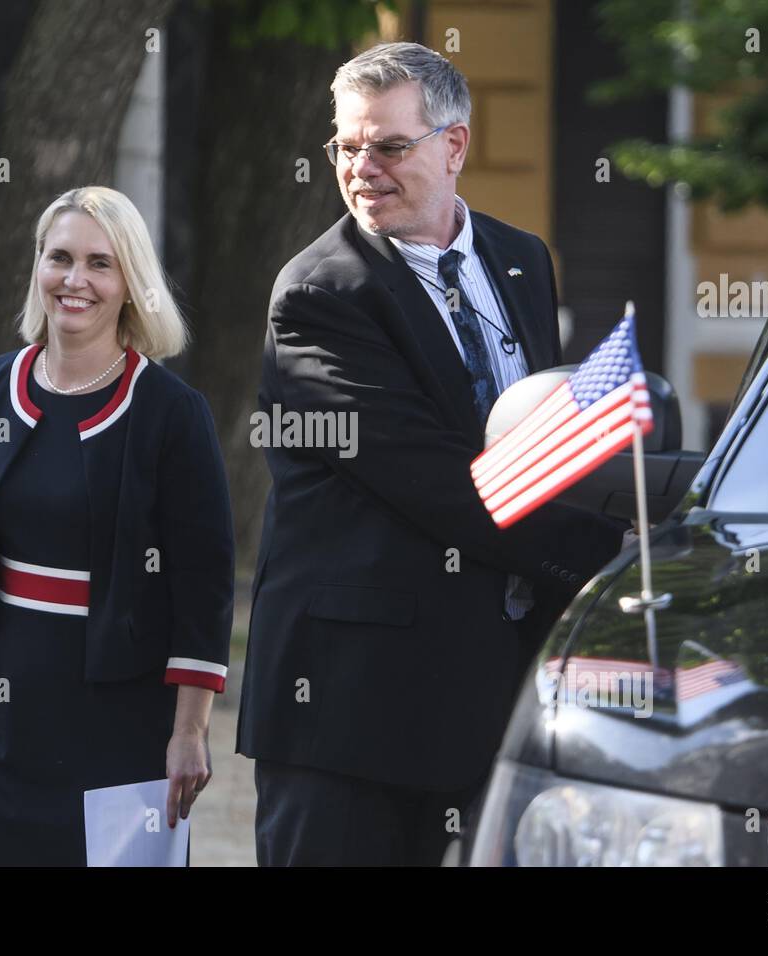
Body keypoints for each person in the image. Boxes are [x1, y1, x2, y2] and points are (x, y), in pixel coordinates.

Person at [236, 42, 627, 866]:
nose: (362, 168)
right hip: (351, 707)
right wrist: (609, 557)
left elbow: (533, 429)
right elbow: (438, 481)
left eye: (388, 146)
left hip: (493, 691)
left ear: (454, 146)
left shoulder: (522, 260)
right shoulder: (318, 294)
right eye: (346, 146)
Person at [0, 185, 234, 866]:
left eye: (99, 263)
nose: (74, 280)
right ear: (38, 267)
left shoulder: (172, 414)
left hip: (118, 731)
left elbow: (203, 594)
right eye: (60, 258)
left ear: (130, 285)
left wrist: (190, 732)